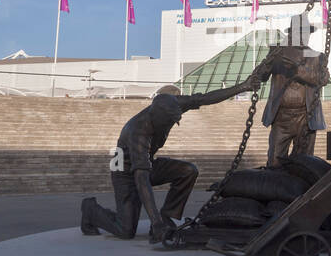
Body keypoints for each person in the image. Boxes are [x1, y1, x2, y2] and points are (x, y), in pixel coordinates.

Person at [81, 66, 270, 243]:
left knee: (188, 171)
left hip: (147, 162)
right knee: (126, 230)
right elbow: (141, 178)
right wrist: (155, 224)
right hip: (123, 168)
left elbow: (205, 98)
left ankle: (168, 215)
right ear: (156, 118)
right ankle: (90, 210)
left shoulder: (172, 104)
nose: (170, 125)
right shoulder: (139, 130)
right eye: (168, 123)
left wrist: (243, 87)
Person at [261, 13, 329, 167]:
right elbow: (261, 77)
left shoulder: (316, 55)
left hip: (306, 116)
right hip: (281, 117)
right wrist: (268, 62)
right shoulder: (278, 52)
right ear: (292, 33)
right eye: (300, 32)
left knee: (303, 163)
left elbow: (323, 79)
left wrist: (297, 71)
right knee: (274, 160)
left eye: (307, 33)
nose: (304, 36)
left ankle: (302, 191)